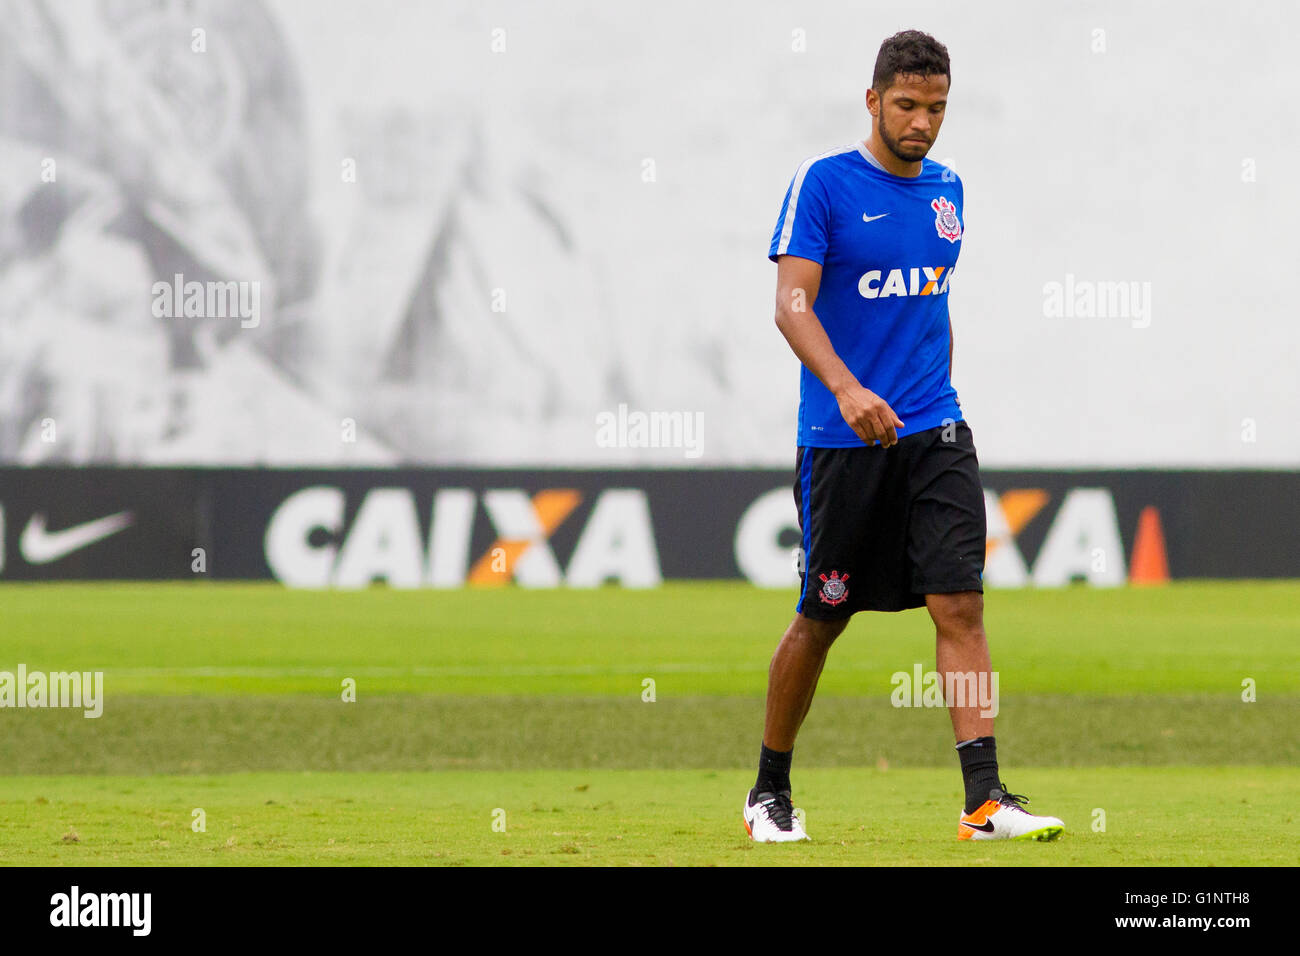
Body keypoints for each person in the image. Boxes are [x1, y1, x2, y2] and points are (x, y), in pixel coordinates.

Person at [744, 30, 1064, 844]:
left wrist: (937, 394)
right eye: (908, 105)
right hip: (843, 441)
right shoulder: (823, 184)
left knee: (960, 603)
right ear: (873, 99)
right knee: (823, 615)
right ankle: (768, 792)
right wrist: (847, 388)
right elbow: (791, 304)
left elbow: (932, 303)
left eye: (937, 108)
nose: (923, 123)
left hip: (935, 430)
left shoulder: (949, 191)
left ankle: (984, 801)